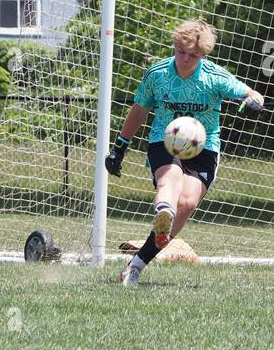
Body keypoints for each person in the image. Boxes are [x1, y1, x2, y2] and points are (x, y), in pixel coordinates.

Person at [104, 19, 264, 286]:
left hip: (205, 146)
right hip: (164, 140)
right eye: (181, 52)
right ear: (174, 46)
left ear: (203, 55)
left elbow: (254, 95)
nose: (186, 58)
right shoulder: (157, 74)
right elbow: (139, 110)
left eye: (194, 55)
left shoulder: (215, 77)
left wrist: (252, 103)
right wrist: (120, 147)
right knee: (171, 180)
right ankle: (164, 209)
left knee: (188, 203)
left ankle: (136, 264)